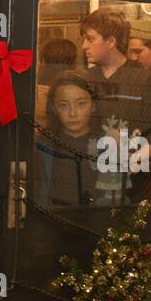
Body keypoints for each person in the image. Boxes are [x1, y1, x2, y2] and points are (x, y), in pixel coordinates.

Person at [80, 7, 151, 203]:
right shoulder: (86, 79)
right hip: (93, 183)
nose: (83, 46)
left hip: (136, 187)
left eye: (90, 39)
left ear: (111, 41)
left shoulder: (144, 79)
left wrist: (130, 160)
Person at [36, 70, 101, 207]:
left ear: (94, 105)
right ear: (53, 108)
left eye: (81, 104)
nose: (73, 113)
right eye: (63, 105)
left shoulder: (107, 145)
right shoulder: (42, 145)